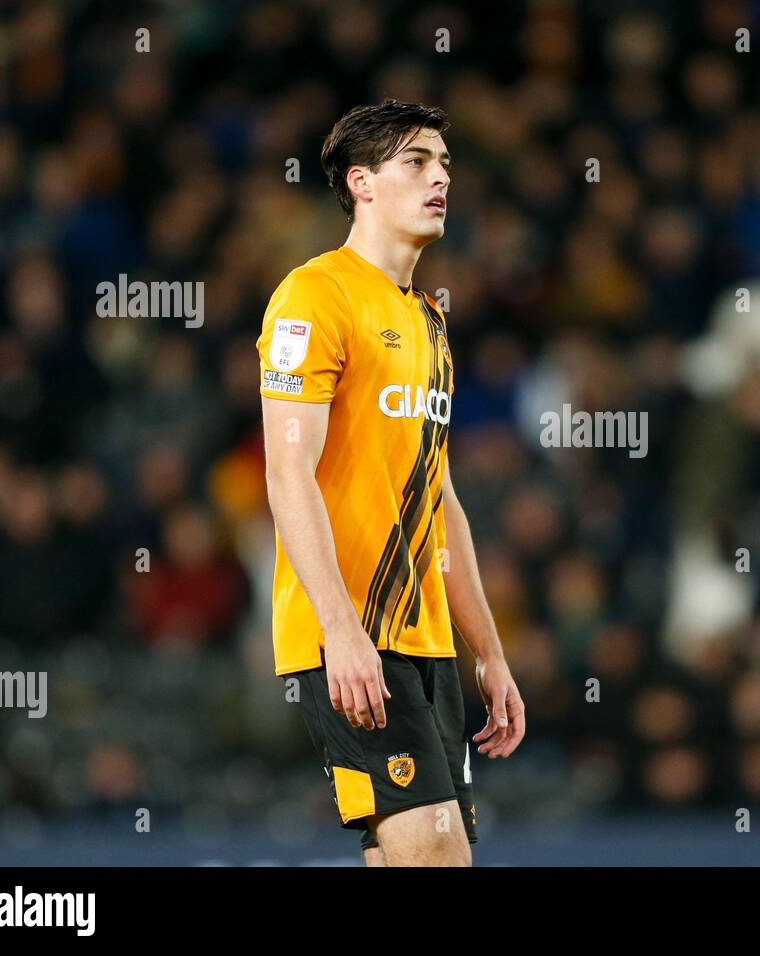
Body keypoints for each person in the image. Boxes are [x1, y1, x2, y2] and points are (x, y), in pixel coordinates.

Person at [257, 100, 524, 866]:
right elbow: (287, 471)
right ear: (362, 183)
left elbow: (439, 498)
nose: (439, 178)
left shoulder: (431, 323)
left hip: (425, 641)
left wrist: (489, 653)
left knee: (404, 859)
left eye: (444, 165)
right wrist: (339, 628)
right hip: (351, 630)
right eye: (416, 162)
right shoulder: (316, 296)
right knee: (437, 858)